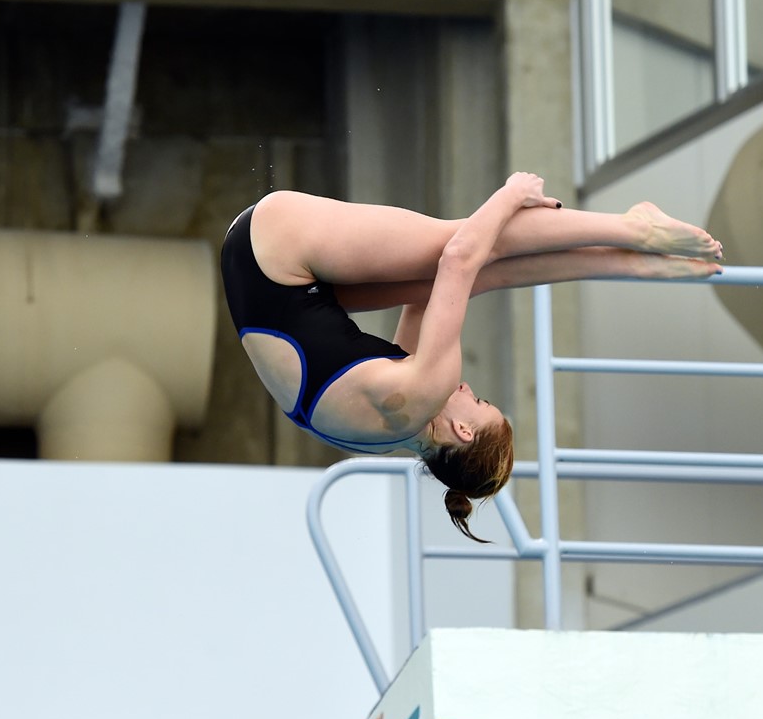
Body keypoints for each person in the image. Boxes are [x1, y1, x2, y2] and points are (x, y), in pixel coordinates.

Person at [220, 174, 722, 541]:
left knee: (456, 239)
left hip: (277, 247)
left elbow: (460, 257)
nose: (465, 390)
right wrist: (622, 270)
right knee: (470, 267)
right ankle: (633, 261)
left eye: (477, 401)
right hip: (272, 280)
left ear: (462, 432)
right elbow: (464, 284)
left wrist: (508, 197)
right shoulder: (393, 431)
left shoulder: (424, 393)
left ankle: (634, 231)